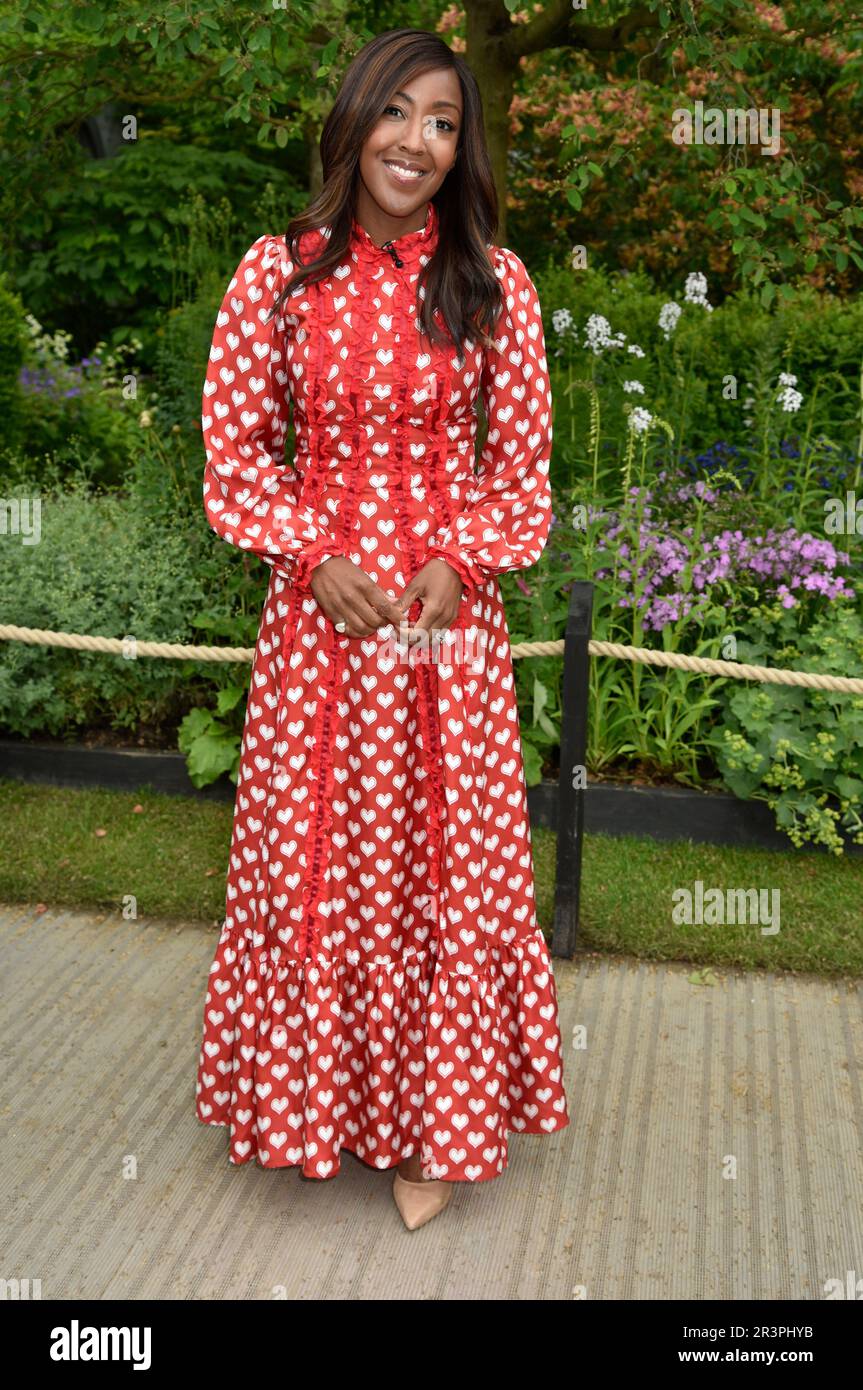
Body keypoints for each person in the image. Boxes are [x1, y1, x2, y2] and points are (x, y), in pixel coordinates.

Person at [195, 27, 569, 1231]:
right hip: (319, 635)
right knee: (318, 877)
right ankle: (316, 1105)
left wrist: (460, 562)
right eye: (396, 112)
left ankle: (434, 1125)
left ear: (463, 148)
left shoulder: (491, 283)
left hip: (441, 637)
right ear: (354, 121)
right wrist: (313, 555)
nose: (416, 141)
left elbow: (522, 474)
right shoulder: (277, 271)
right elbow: (232, 458)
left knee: (442, 878)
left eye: (443, 122)